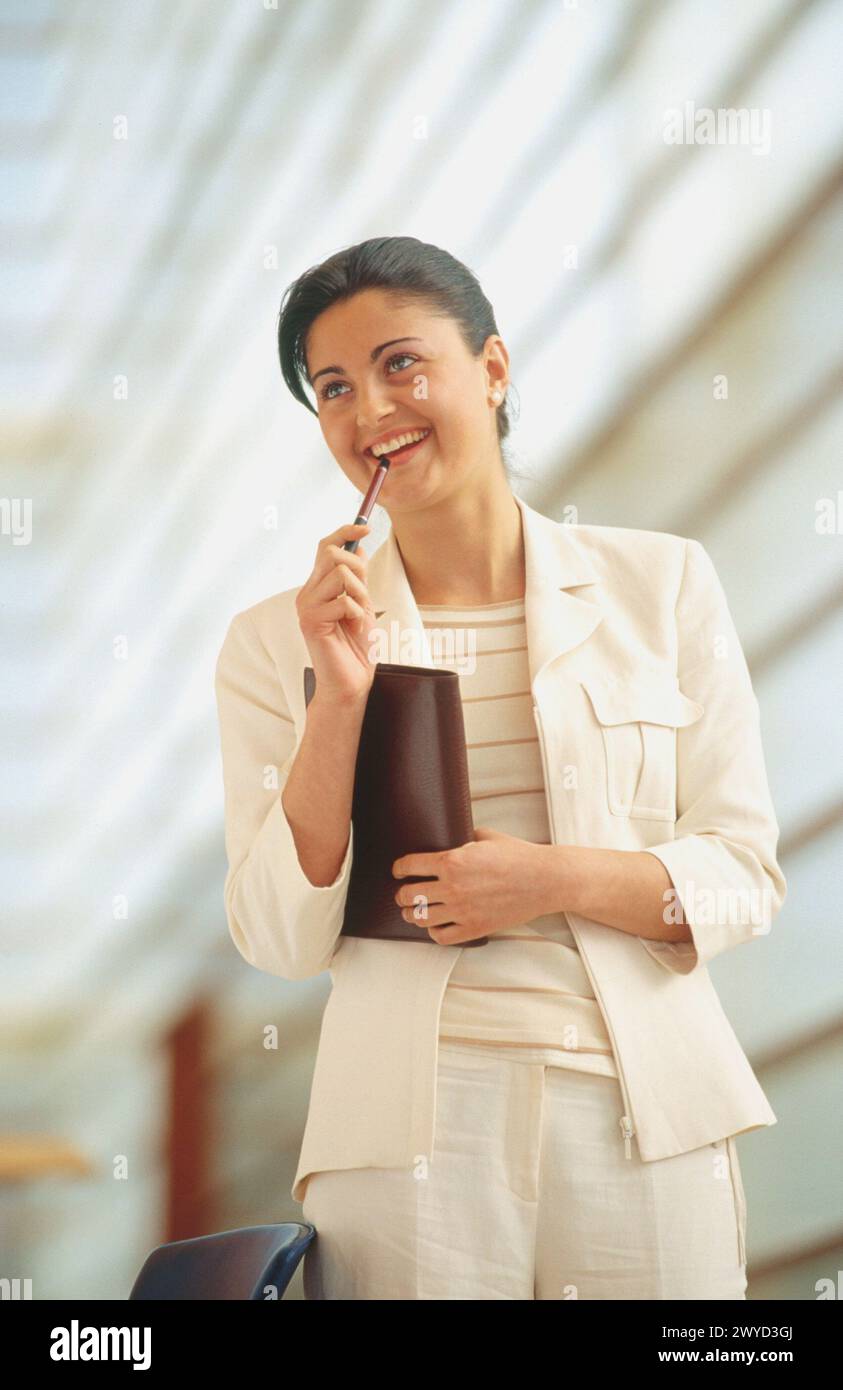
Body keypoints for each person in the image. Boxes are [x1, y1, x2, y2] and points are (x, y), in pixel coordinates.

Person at [214, 236, 786, 1300]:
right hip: (404, 1139)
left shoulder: (661, 584)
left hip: (645, 1115)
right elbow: (280, 935)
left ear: (492, 368)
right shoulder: (271, 642)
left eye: (401, 363)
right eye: (333, 386)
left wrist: (548, 879)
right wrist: (338, 700)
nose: (369, 406)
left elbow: (743, 872)